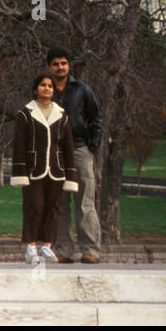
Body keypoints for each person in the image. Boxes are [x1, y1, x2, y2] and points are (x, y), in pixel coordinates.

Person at [10, 74, 79, 263]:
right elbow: (19, 145)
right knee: (35, 206)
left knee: (52, 207)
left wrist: (70, 174)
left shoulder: (61, 115)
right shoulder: (25, 114)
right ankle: (31, 246)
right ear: (35, 89)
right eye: (42, 85)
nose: (47, 88)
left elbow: (67, 147)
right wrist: (20, 172)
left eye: (50, 85)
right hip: (33, 169)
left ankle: (47, 245)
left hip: (55, 169)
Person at [46, 47, 102, 263]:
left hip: (79, 149)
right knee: (58, 204)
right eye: (55, 64)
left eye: (63, 63)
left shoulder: (82, 90)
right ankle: (64, 249)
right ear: (49, 66)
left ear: (68, 65)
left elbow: (96, 118)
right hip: (54, 151)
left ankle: (90, 249)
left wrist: (92, 146)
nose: (60, 67)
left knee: (85, 202)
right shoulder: (44, 88)